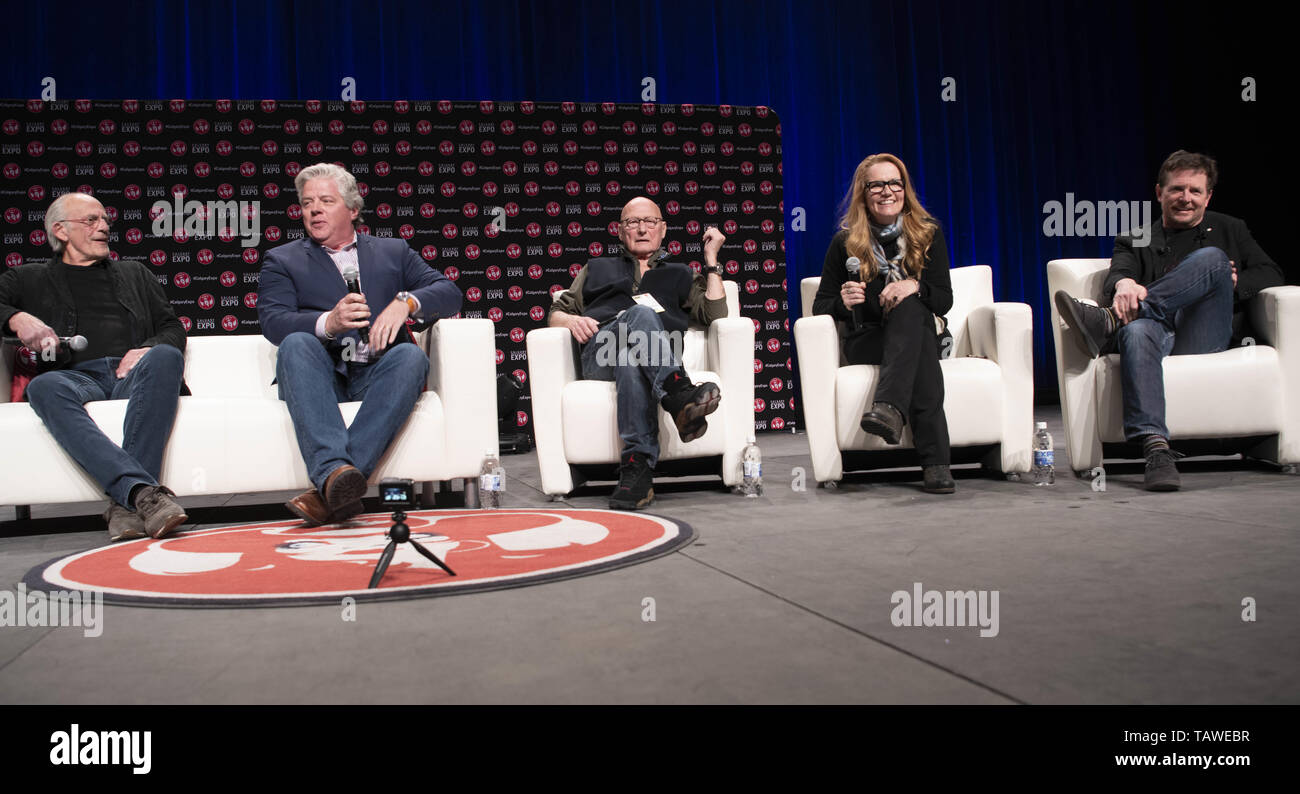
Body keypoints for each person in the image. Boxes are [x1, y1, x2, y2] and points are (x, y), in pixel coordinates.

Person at [1055, 150, 1282, 491]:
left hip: (1203, 334)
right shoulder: (1136, 237)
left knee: (1213, 259)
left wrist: (1231, 283)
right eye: (1176, 190)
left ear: (1208, 196)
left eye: (1194, 191)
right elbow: (1119, 273)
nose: (1185, 198)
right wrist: (1124, 283)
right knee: (1138, 330)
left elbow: (1270, 272)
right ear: (1159, 193)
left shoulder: (1229, 229)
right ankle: (1156, 450)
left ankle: (1109, 321)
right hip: (1158, 336)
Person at [258, 163, 462, 525]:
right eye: (306, 204)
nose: (314, 209)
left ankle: (333, 483)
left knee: (410, 357)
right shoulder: (283, 260)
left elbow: (450, 292)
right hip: (323, 379)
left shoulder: (392, 251)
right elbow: (273, 322)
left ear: (353, 209)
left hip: (378, 372)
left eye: (325, 200)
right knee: (295, 344)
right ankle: (337, 476)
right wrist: (329, 323)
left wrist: (406, 303)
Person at [0, 191, 189, 541]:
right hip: (74, 376)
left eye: (105, 220)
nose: (103, 227)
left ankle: (127, 503)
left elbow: (171, 328)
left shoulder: (135, 273)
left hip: (130, 376)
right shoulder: (28, 278)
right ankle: (141, 496)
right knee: (43, 386)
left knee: (165, 355)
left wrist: (146, 348)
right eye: (91, 220)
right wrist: (17, 318)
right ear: (60, 230)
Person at [548, 196, 728, 509]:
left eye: (650, 222)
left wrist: (711, 259)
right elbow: (555, 314)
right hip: (602, 350)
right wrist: (573, 320)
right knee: (642, 316)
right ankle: (677, 392)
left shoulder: (681, 273)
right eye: (633, 222)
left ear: (663, 229)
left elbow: (715, 313)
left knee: (630, 361)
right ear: (620, 231)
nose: (642, 229)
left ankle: (637, 470)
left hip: (648, 357)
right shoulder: (597, 268)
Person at [813, 153, 956, 494]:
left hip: (919, 333)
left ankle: (888, 407)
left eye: (895, 183)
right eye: (877, 184)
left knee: (913, 310)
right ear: (863, 193)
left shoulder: (927, 234)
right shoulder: (845, 243)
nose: (887, 191)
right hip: (868, 338)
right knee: (918, 336)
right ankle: (936, 463)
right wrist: (844, 304)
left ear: (905, 190)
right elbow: (821, 305)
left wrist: (915, 285)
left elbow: (944, 299)